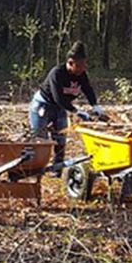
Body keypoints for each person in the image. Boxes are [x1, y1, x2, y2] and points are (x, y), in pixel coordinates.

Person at [29, 41, 105, 172]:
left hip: (60, 108)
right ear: (70, 62)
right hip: (43, 105)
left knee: (61, 139)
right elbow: (58, 98)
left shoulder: (81, 75)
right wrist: (76, 111)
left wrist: (95, 105)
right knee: (40, 140)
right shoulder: (57, 73)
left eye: (84, 65)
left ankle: (57, 169)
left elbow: (88, 89)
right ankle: (36, 169)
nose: (82, 69)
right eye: (79, 66)